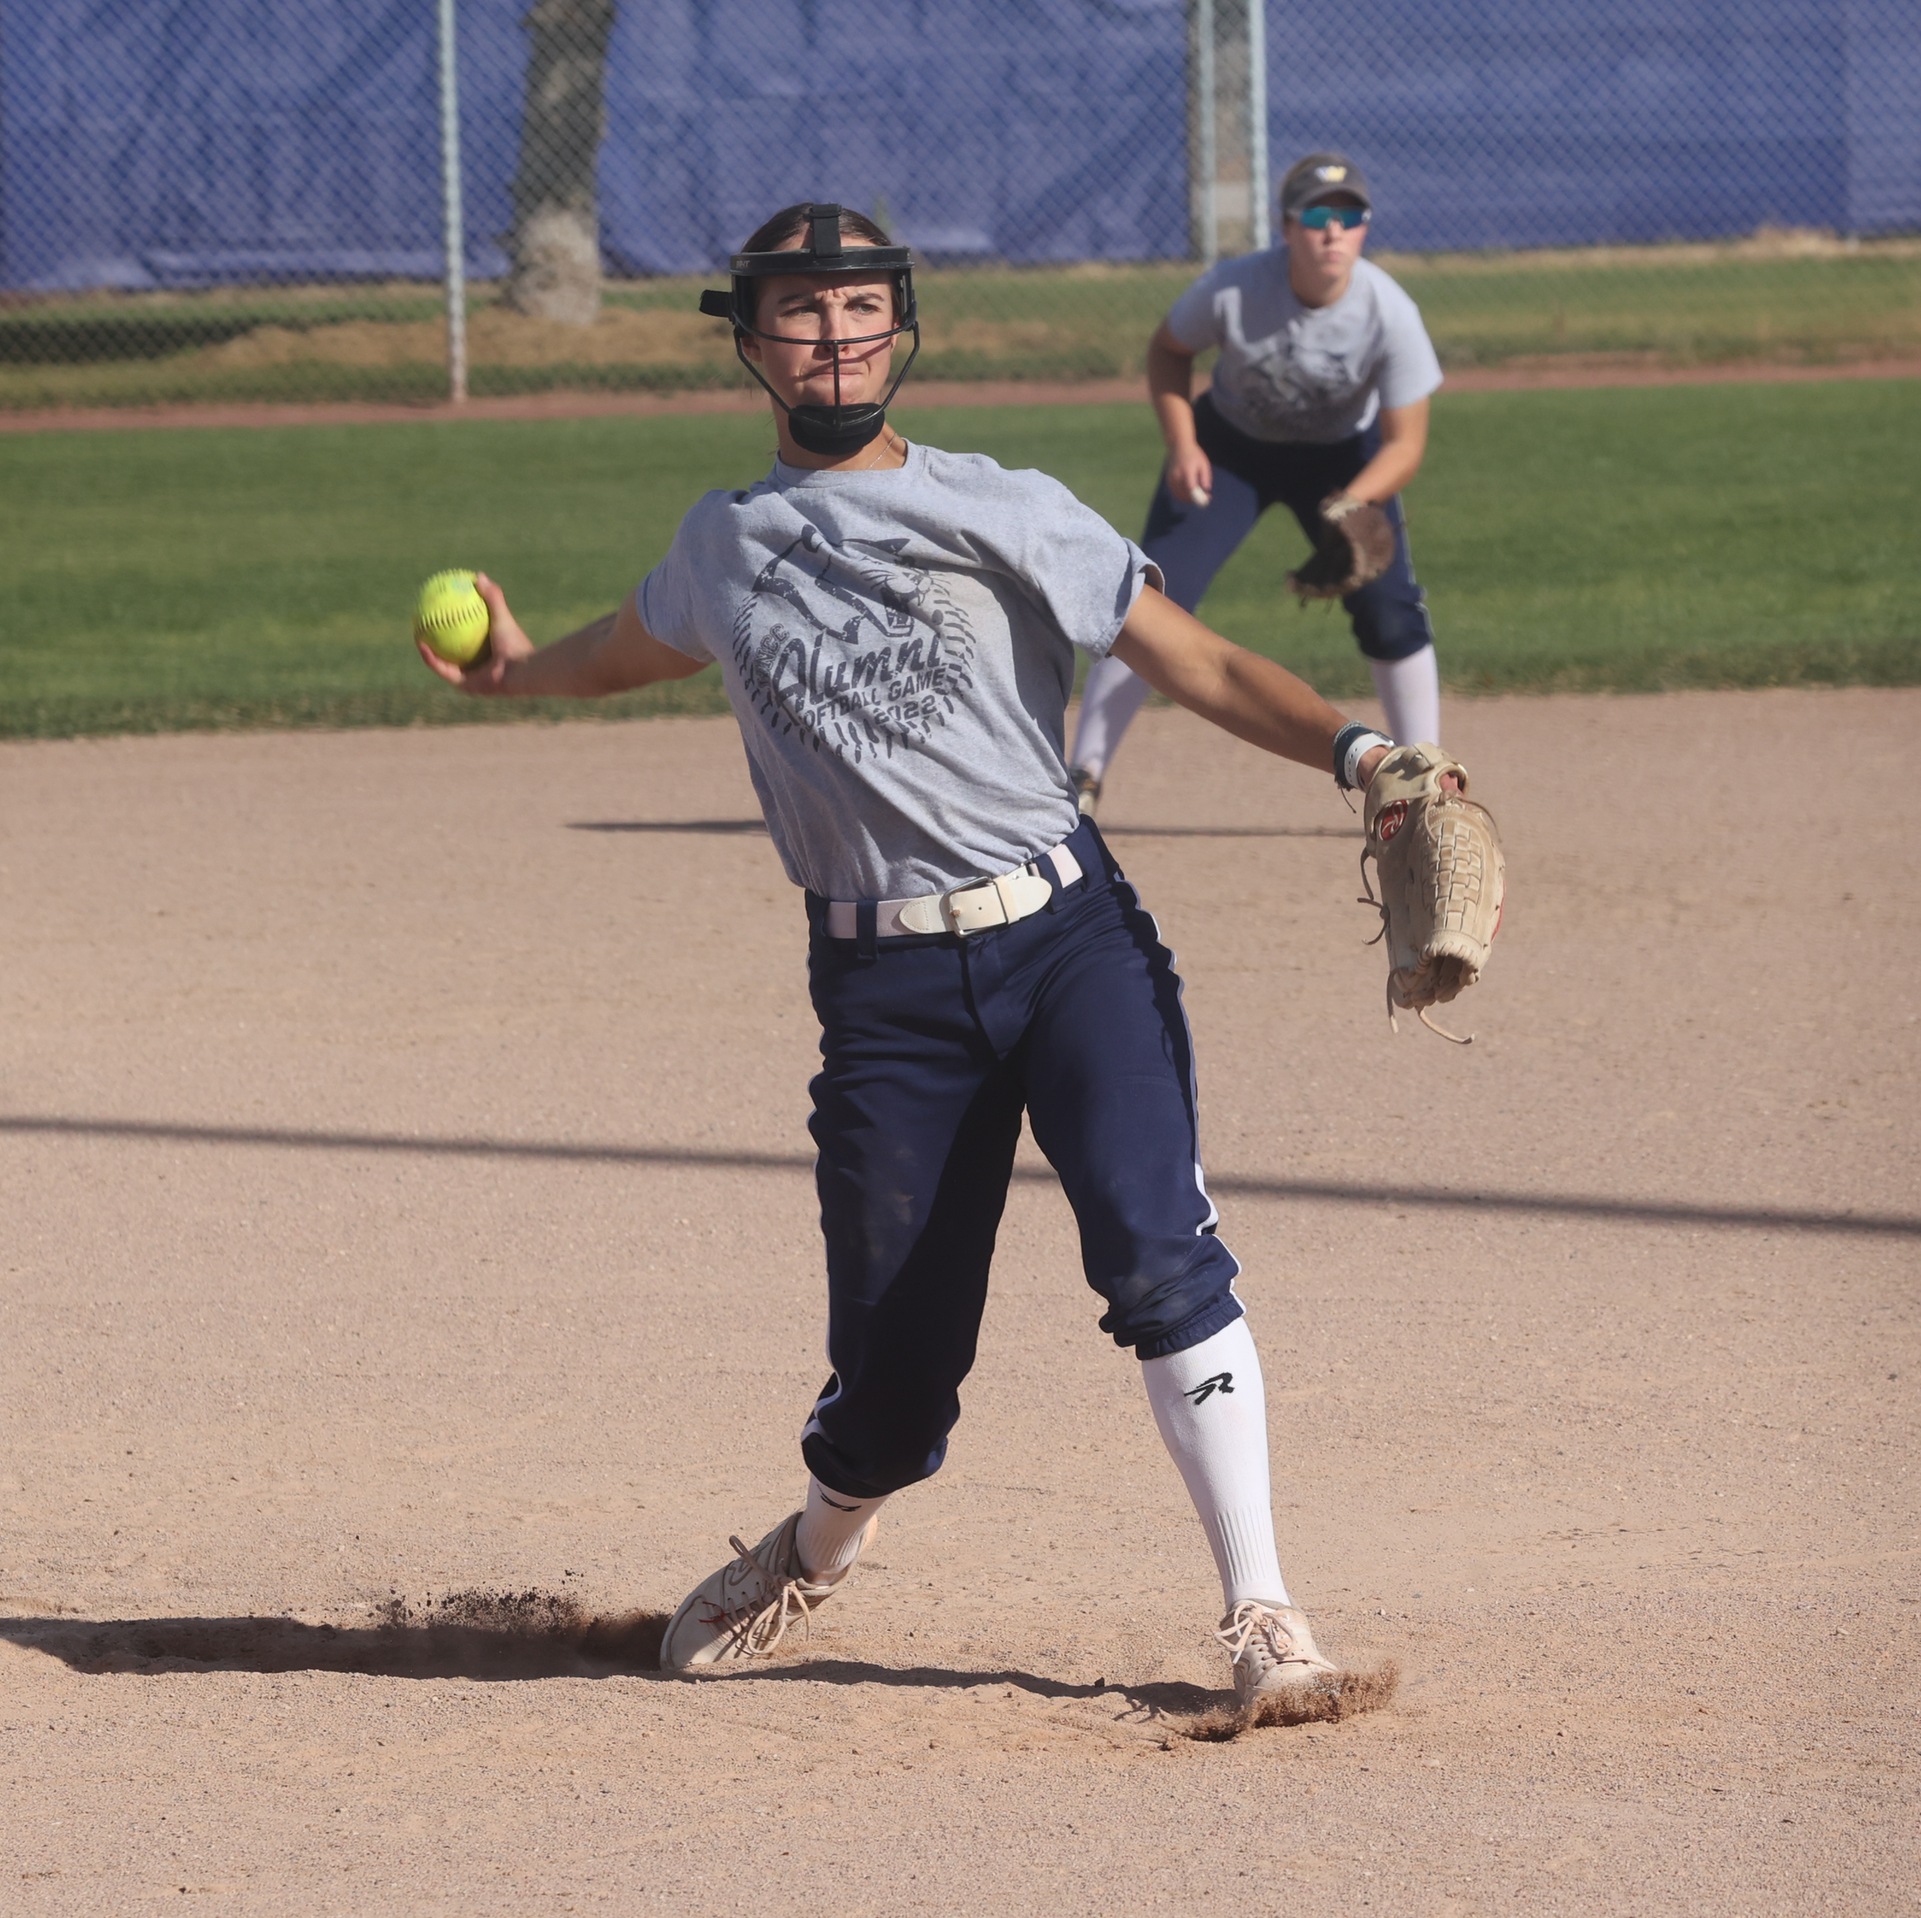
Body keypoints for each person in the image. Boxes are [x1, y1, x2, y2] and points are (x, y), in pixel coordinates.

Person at [417, 201, 1402, 1710]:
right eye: (802, 312)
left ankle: (1267, 1615)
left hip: (1066, 936)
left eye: (861, 306)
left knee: (1156, 1250)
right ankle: (814, 1543)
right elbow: (618, 649)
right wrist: (506, 675)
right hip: (883, 995)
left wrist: (1359, 752)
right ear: (751, 340)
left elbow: (1191, 658)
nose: (834, 334)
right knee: (889, 1387)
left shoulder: (1001, 505)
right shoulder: (723, 542)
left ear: (902, 328)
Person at [1068, 152, 1444, 816]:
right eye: (1317, 216)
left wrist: (1354, 501)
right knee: (1150, 601)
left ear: (1363, 228)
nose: (1333, 230)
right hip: (1231, 450)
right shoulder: (1235, 288)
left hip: (1340, 461)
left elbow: (1406, 444)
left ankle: (1422, 780)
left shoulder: (1388, 311)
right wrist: (1182, 443)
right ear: (1287, 226)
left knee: (1389, 609)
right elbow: (1168, 350)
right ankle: (1083, 777)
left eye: (1349, 216)